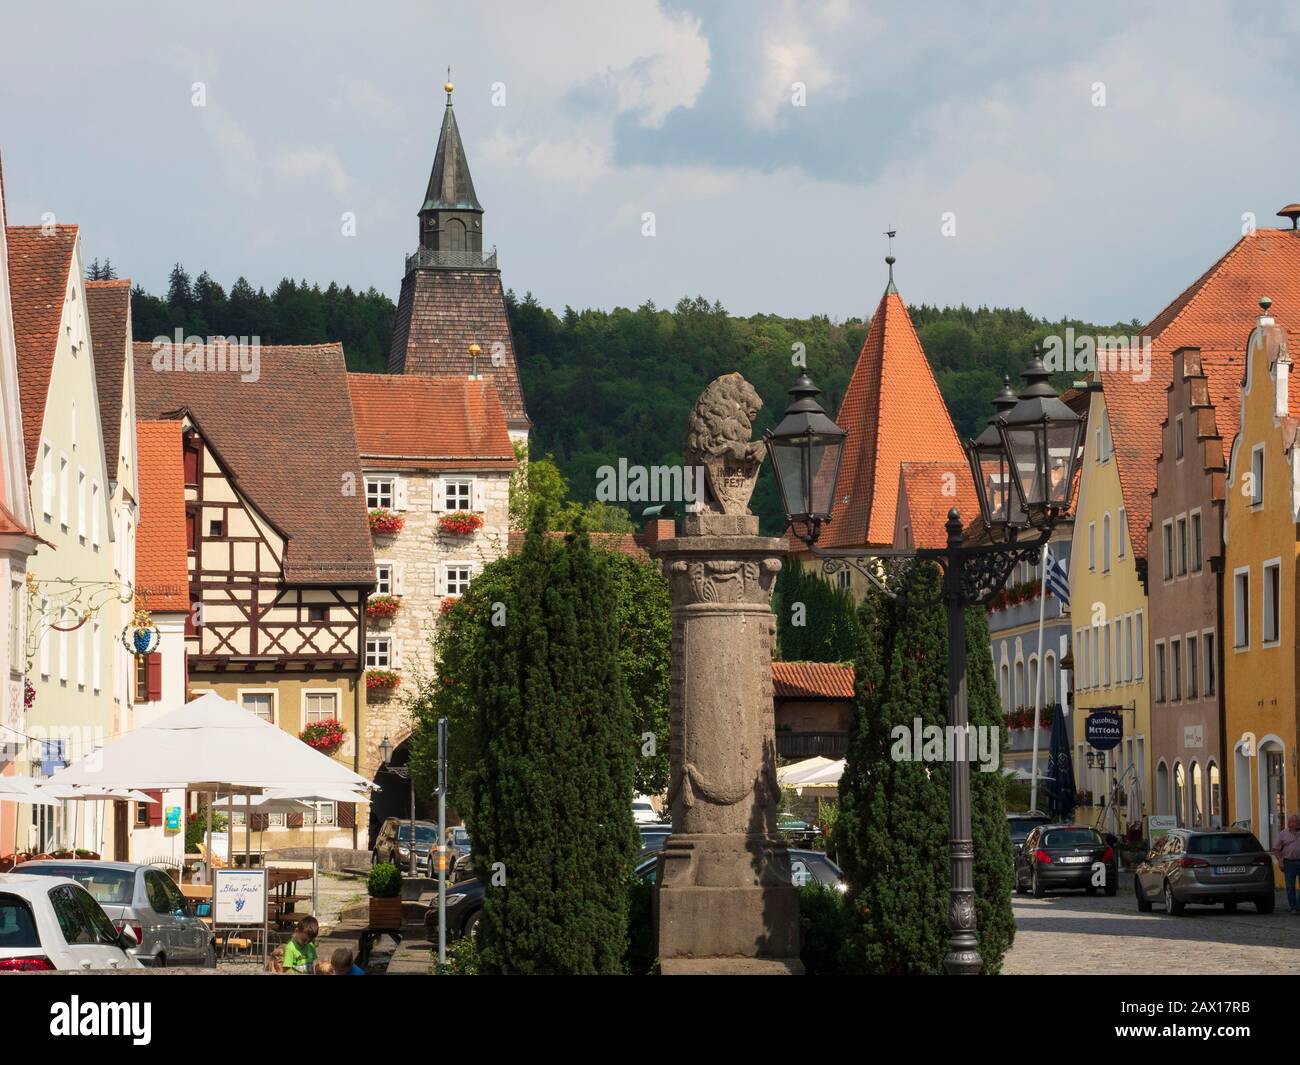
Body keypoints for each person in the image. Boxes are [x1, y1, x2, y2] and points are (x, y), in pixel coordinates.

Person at [1275, 813, 1300, 914]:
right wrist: (1280, 861)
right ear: (1289, 823)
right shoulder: (1283, 834)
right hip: (1289, 863)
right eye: (1296, 821)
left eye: (1298, 820)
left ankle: (1298, 905)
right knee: (1290, 886)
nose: (1298, 822)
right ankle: (1293, 907)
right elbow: (1276, 849)